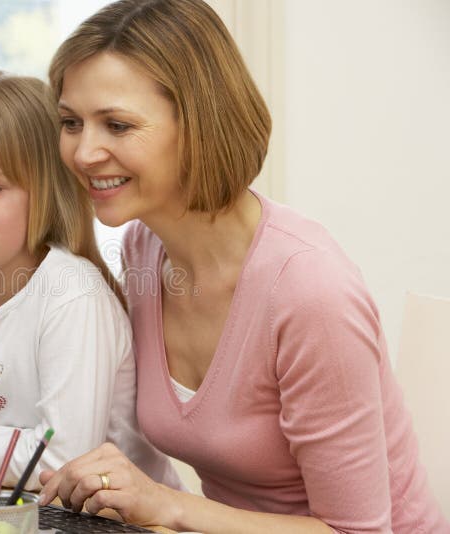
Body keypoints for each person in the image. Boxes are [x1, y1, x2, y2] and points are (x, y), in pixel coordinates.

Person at [37, 1, 449, 532]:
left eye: (117, 125)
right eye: (71, 123)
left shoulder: (309, 291)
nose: (83, 152)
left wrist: (168, 505)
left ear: (200, 124)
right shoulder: (145, 247)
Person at [0, 71, 180, 492]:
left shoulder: (72, 297)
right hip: (5, 507)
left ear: (44, 190)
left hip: (119, 519)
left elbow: (60, 460)